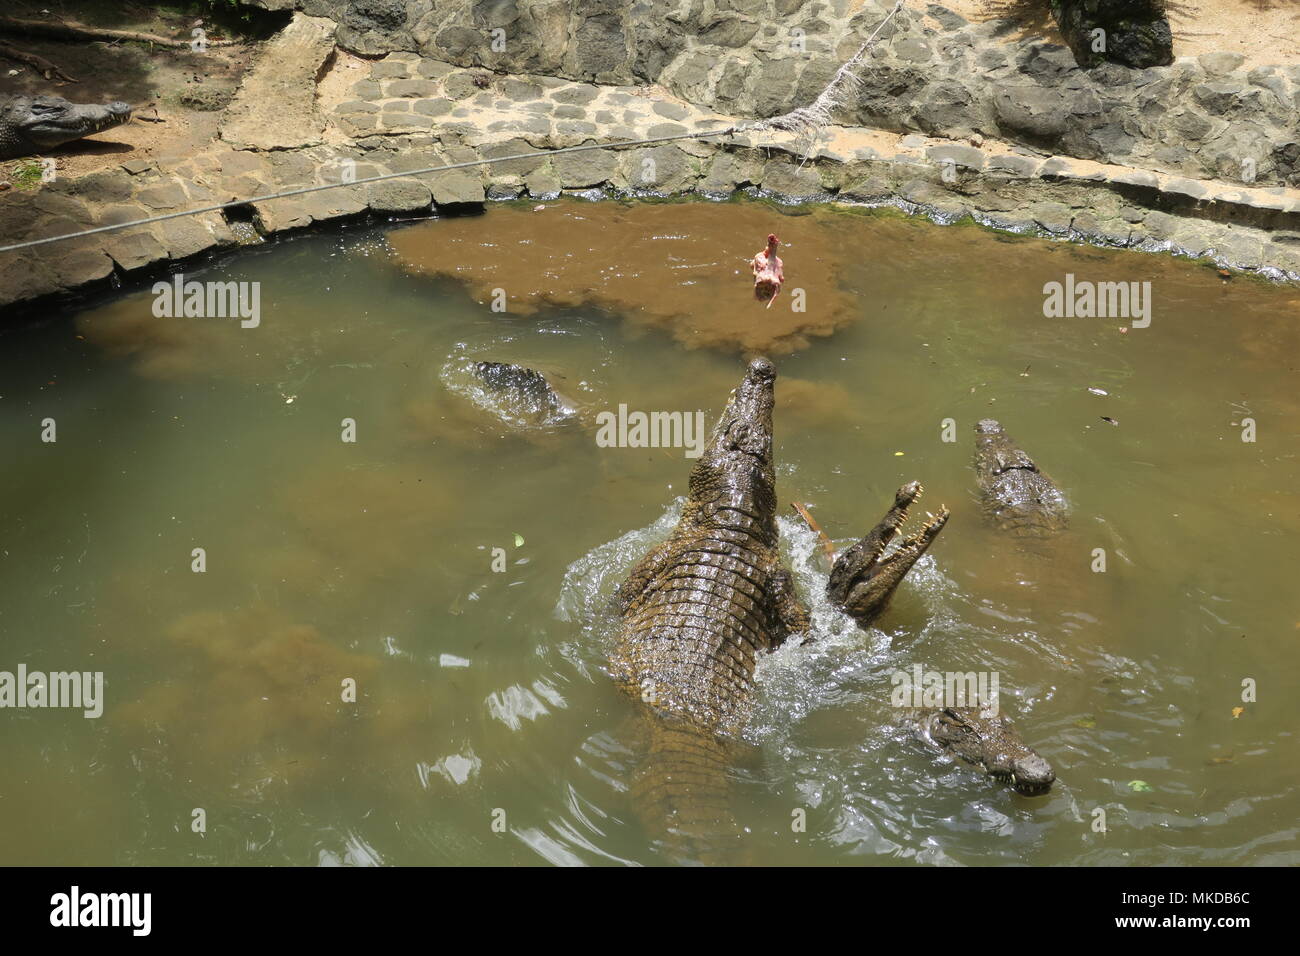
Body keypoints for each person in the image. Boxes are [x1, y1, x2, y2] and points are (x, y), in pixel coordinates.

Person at [751, 233, 784, 308]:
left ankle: (768, 300)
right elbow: (781, 279)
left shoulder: (759, 257)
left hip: (764, 277)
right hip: (769, 278)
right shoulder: (778, 263)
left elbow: (755, 272)